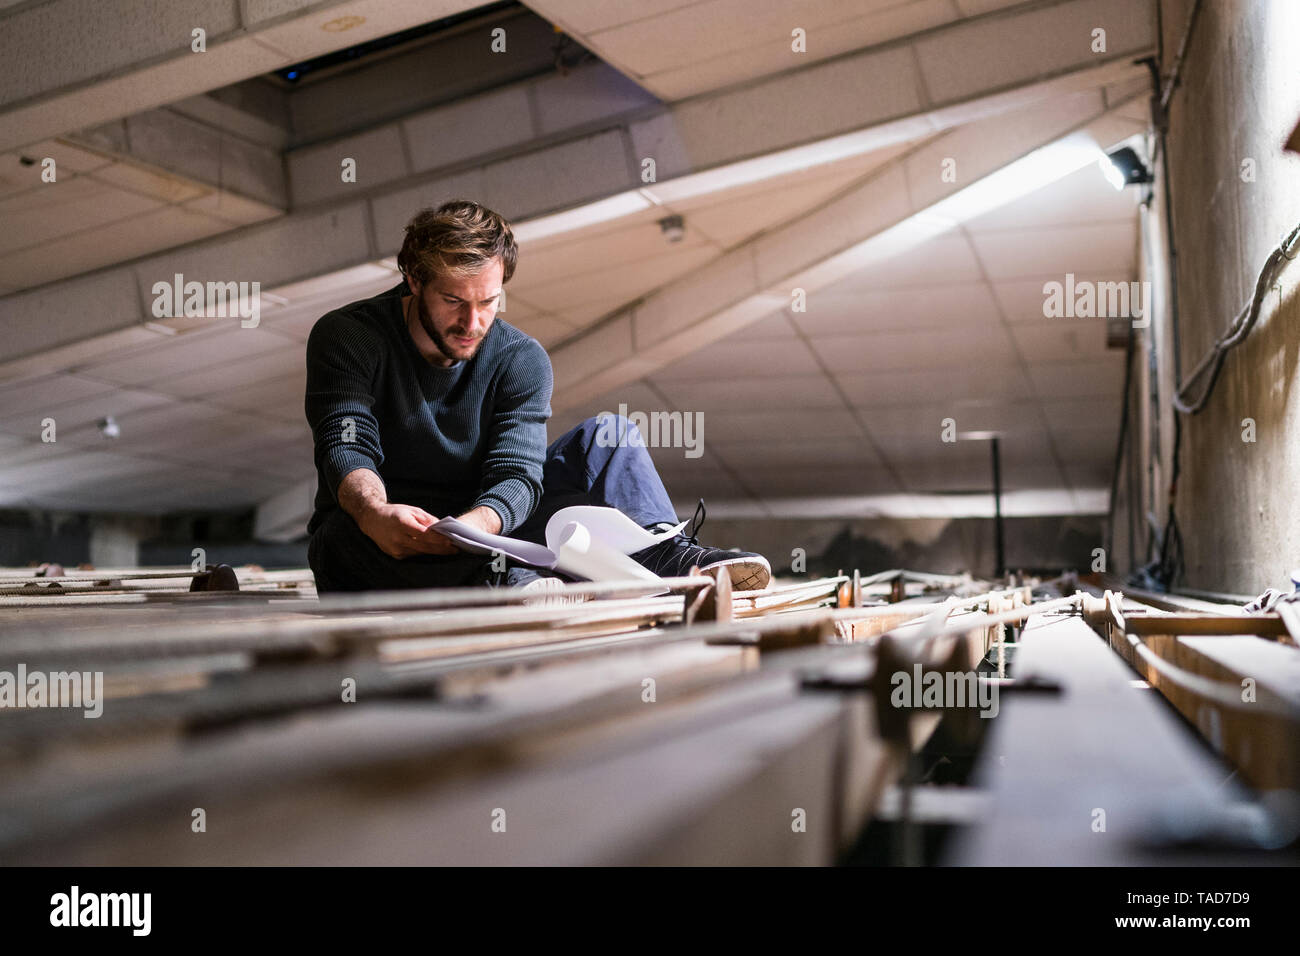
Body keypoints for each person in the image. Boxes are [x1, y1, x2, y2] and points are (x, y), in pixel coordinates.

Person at [304, 199, 771, 594]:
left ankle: (662, 554)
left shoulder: (520, 358)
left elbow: (518, 474)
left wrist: (478, 527)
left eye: (487, 302)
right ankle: (514, 581)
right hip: (376, 537)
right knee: (341, 538)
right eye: (453, 301)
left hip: (488, 534)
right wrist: (375, 513)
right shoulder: (349, 336)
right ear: (413, 280)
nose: (472, 323)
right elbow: (347, 442)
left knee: (609, 435)